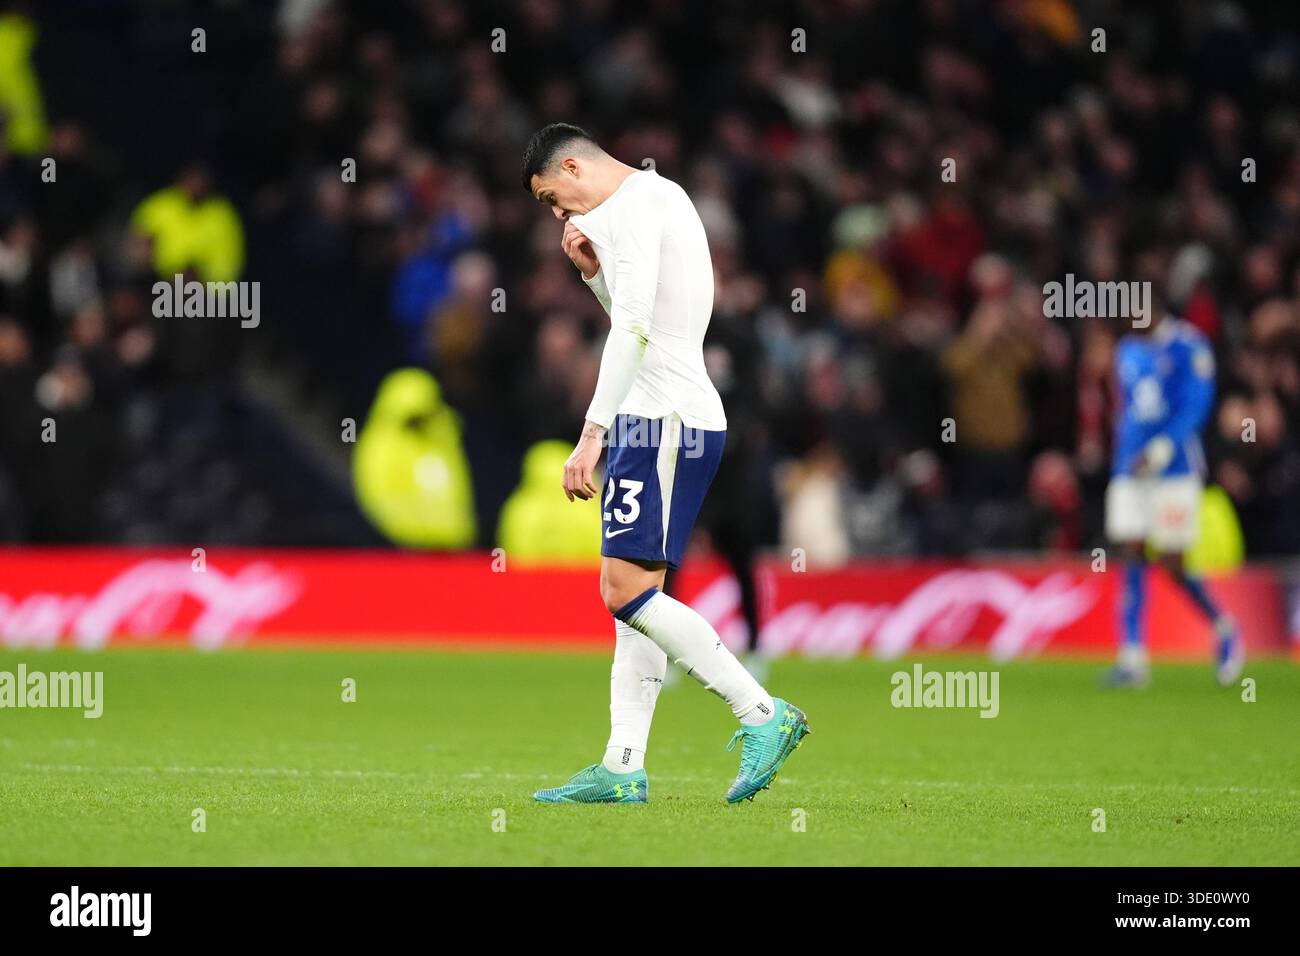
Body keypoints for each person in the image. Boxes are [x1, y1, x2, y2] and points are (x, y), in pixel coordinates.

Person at [520, 123, 809, 803]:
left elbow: (637, 329)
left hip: (661, 421)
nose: (557, 214)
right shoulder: (657, 198)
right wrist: (593, 277)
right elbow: (646, 315)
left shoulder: (634, 207)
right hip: (664, 414)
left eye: (551, 198)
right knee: (637, 594)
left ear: (571, 165)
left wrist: (592, 433)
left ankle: (763, 714)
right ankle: (623, 765)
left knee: (624, 591)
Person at [1104, 300, 1244, 687]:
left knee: (1171, 561)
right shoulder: (1127, 350)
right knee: (1129, 551)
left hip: (1175, 471)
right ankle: (1132, 658)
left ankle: (1223, 625)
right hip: (1130, 470)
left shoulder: (1189, 345)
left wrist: (1164, 446)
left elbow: (1197, 404)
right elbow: (1127, 409)